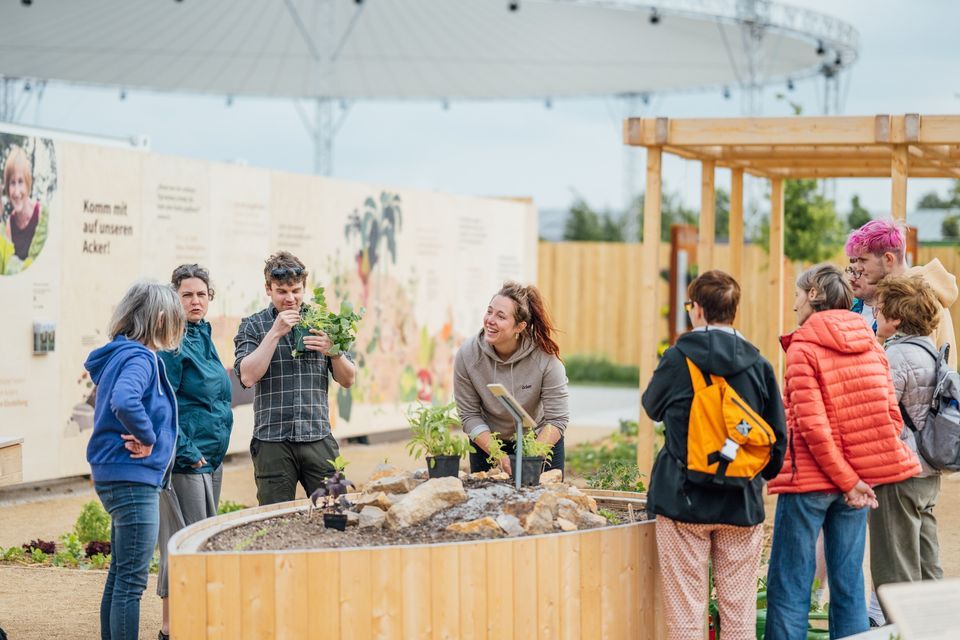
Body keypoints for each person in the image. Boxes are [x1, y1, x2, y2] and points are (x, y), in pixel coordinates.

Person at [764, 264, 920, 640]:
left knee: (790, 587)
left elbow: (812, 426)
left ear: (814, 294)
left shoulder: (803, 346)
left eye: (798, 295)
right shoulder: (874, 347)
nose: (794, 305)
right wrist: (856, 479)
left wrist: (846, 479)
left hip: (810, 484)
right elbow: (890, 418)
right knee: (849, 585)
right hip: (858, 486)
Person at [642, 270, 786, 640]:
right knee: (739, 613)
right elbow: (777, 438)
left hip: (682, 498)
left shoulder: (677, 358)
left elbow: (652, 407)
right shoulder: (758, 364)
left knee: (686, 612)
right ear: (733, 311)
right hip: (741, 500)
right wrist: (752, 476)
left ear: (699, 310)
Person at [84, 281, 185, 640]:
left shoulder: (119, 354)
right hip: (133, 479)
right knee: (130, 581)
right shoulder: (140, 358)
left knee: (119, 575)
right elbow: (125, 401)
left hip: (117, 475)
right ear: (159, 318)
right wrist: (148, 436)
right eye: (175, 319)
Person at [233, 251, 356, 506]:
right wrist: (274, 333)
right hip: (272, 441)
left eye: (296, 291)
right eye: (281, 291)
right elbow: (247, 376)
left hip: (318, 436)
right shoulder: (253, 326)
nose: (290, 298)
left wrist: (334, 352)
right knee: (275, 519)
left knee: (334, 513)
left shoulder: (324, 322)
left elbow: (348, 379)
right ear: (268, 289)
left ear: (304, 288)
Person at [155, 264, 234, 640]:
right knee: (181, 540)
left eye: (201, 294)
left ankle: (196, 619)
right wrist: (188, 451)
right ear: (175, 299)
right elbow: (162, 404)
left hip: (210, 459)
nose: (195, 300)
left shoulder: (203, 336)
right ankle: (171, 627)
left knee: (200, 540)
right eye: (187, 294)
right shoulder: (172, 342)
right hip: (188, 460)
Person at [870, 276, 944, 601]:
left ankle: (903, 631)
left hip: (898, 473)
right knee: (928, 564)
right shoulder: (934, 354)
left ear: (896, 318)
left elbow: (877, 413)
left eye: (879, 308)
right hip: (930, 470)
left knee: (895, 568)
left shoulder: (895, 357)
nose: (874, 312)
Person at [454, 281, 569, 475]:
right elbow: (469, 415)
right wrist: (498, 455)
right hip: (487, 442)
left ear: (520, 326)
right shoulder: (468, 355)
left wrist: (530, 458)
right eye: (489, 311)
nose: (490, 320)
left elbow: (557, 419)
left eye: (500, 316)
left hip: (538, 441)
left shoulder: (545, 359)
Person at [846, 219, 958, 367]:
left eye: (863, 260)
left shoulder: (913, 302)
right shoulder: (915, 291)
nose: (858, 268)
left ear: (888, 259)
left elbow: (915, 374)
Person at [3, 145, 48, 268]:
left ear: (28, 183)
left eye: (21, 182)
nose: (17, 192)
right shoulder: (9, 224)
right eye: (12, 183)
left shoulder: (41, 215)